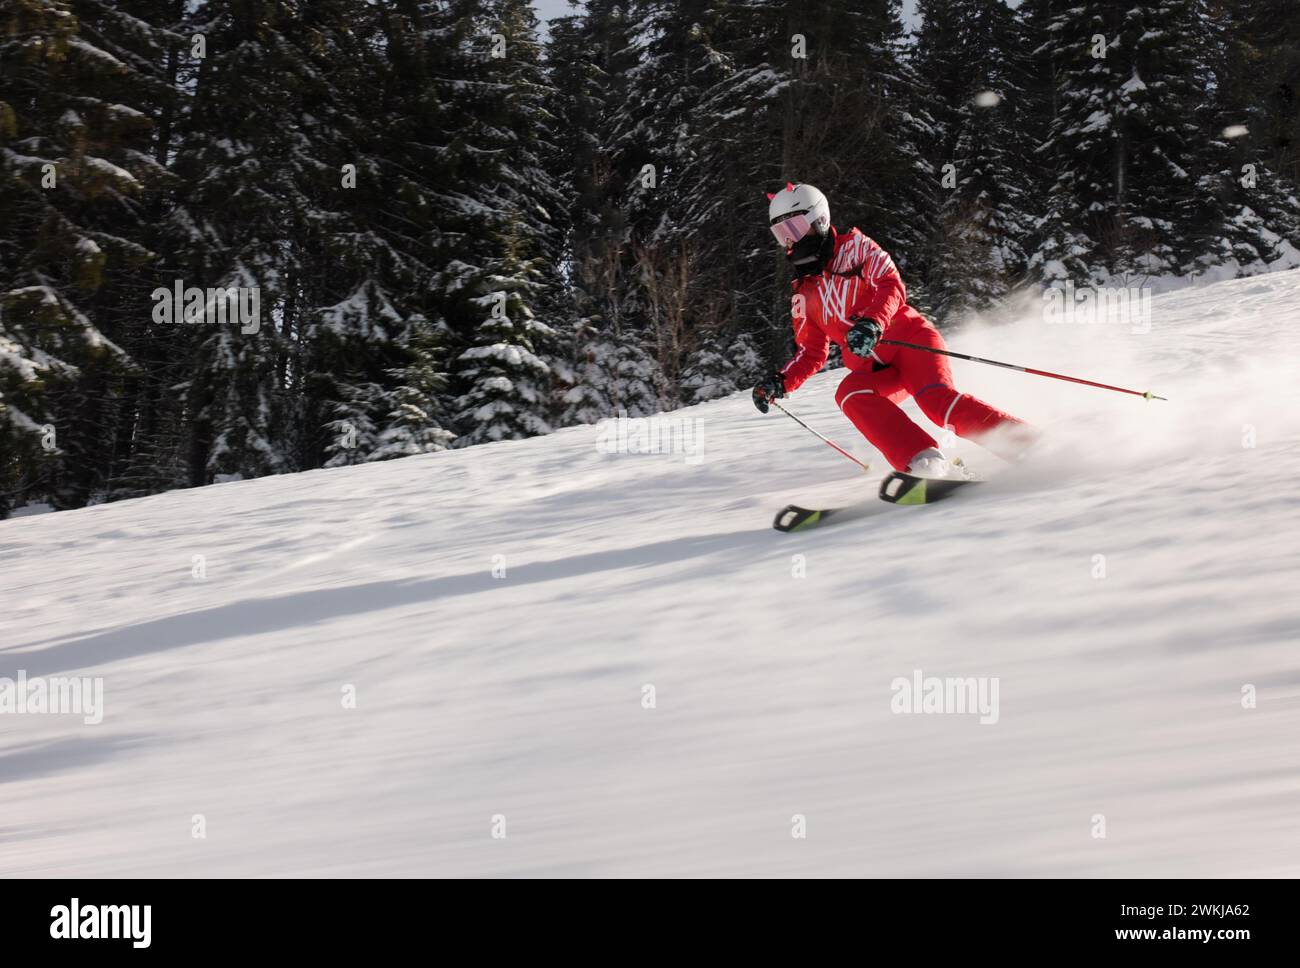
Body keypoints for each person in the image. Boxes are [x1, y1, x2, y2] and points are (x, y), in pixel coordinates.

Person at [753, 182, 1034, 478]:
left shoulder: (856, 247)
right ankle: (924, 462)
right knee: (850, 393)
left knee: (936, 403)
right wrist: (781, 382)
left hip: (912, 342)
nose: (791, 241)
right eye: (782, 234)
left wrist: (872, 323)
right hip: (877, 369)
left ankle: (1025, 444)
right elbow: (811, 351)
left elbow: (890, 283)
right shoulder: (802, 291)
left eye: (795, 228)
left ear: (819, 218)